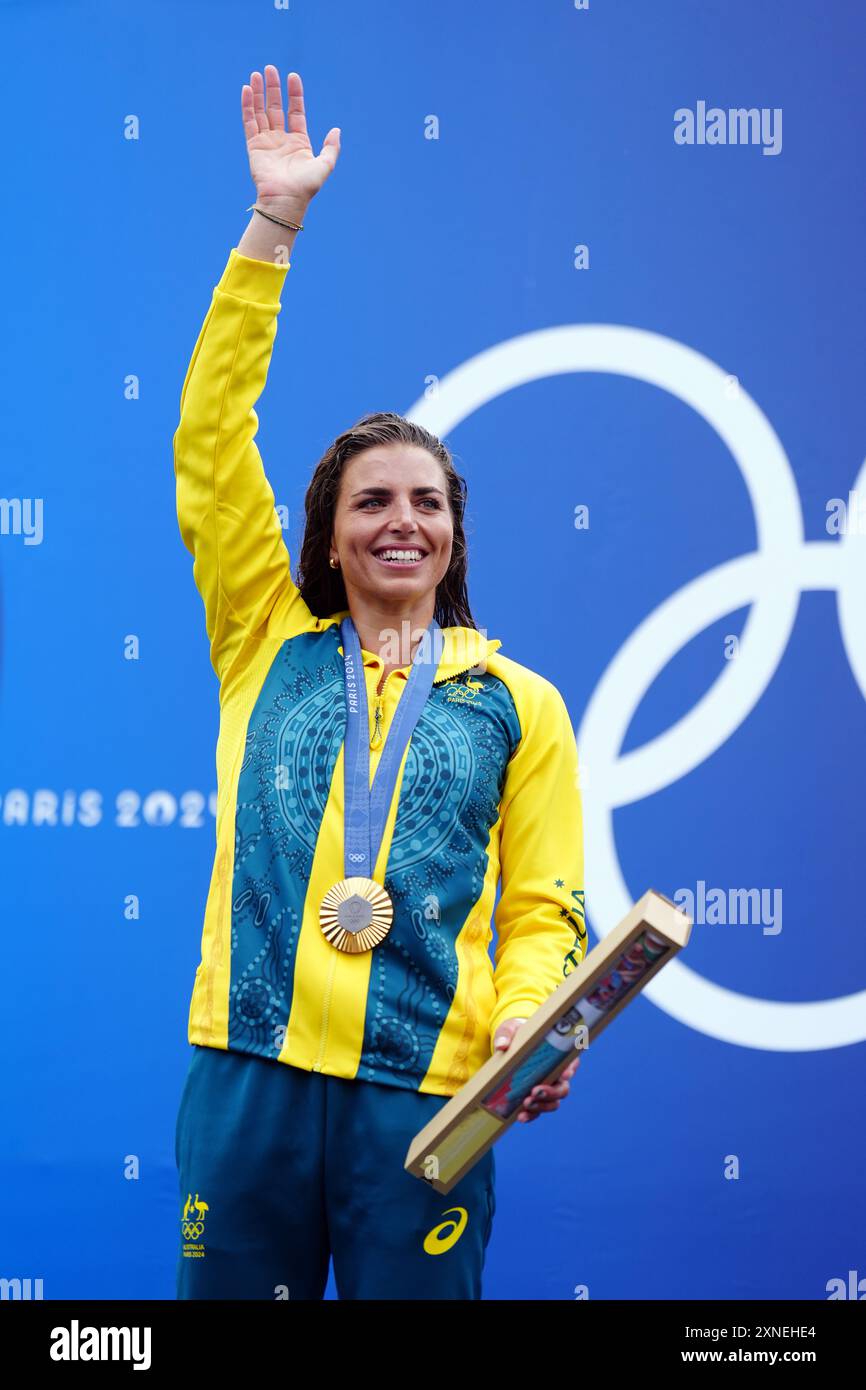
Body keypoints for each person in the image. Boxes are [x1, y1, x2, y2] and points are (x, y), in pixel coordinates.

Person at [172, 65, 586, 1301]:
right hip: (247, 1072)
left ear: (454, 531)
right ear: (328, 530)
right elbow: (207, 437)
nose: (399, 523)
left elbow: (544, 908)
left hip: (427, 1096)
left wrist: (525, 1026)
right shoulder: (265, 635)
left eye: (425, 503)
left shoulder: (520, 702)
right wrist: (273, 227)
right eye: (370, 502)